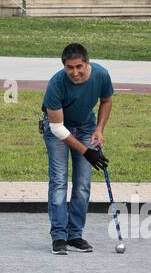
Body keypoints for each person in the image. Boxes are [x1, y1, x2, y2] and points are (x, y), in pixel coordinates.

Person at [41, 43, 112, 254]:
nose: (75, 72)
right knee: (59, 181)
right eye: (69, 68)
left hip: (86, 126)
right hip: (57, 131)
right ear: (64, 66)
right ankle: (59, 236)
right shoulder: (56, 84)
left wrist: (99, 130)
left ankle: (75, 235)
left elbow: (106, 100)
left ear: (87, 63)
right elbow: (58, 128)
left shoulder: (101, 75)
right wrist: (86, 151)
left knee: (82, 184)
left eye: (79, 67)